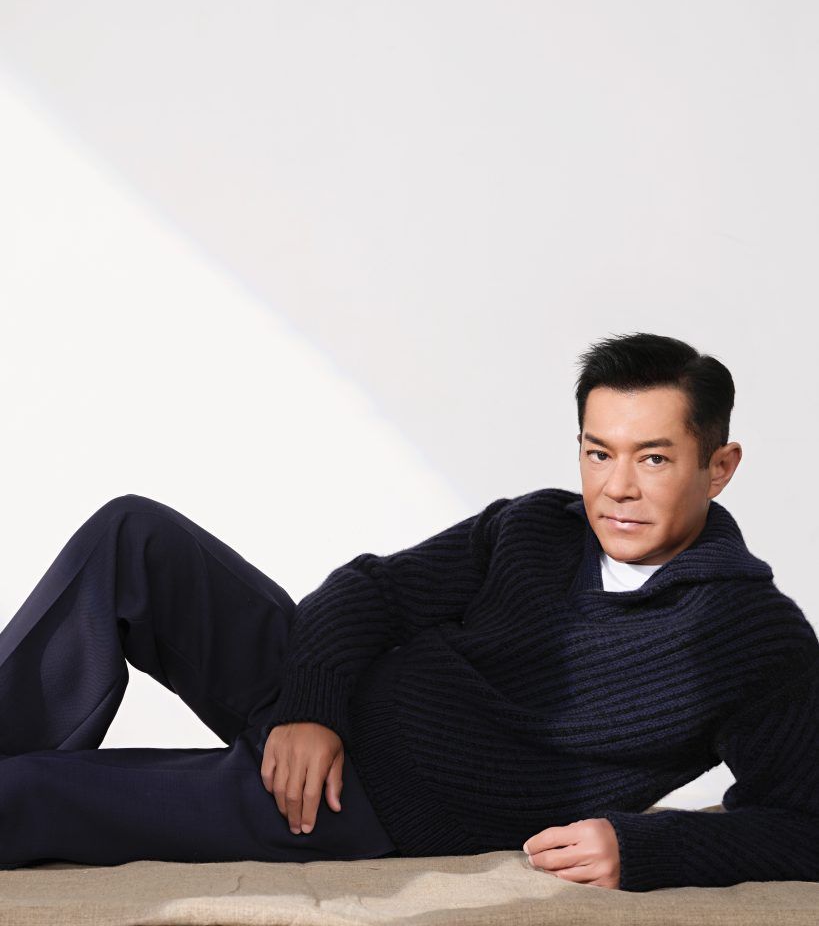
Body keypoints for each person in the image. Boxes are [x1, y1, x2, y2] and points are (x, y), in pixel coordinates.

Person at [1, 332, 817, 892]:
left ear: (718, 467)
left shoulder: (753, 639)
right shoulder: (537, 524)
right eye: (597, 452)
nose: (617, 487)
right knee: (133, 533)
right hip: (320, 706)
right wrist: (311, 705)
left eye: (653, 459)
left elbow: (804, 825)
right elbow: (371, 590)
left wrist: (643, 847)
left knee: (27, 794)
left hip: (358, 806)